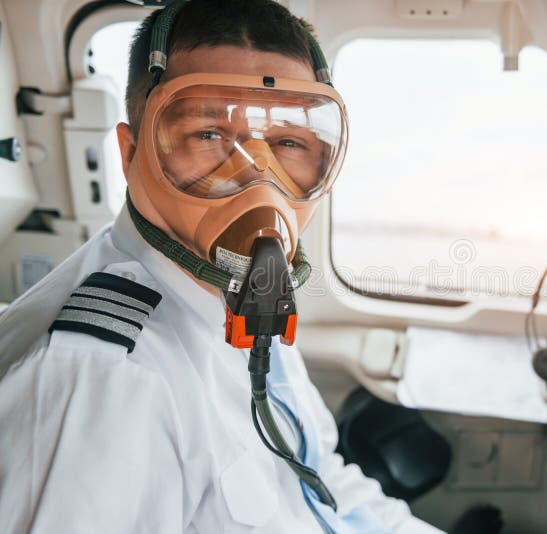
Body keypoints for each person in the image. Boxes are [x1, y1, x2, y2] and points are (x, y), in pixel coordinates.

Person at [0, 1, 443, 532]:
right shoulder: (105, 376)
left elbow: (322, 481)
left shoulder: (247, 295)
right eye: (209, 135)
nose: (259, 179)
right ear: (131, 152)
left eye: (288, 143)